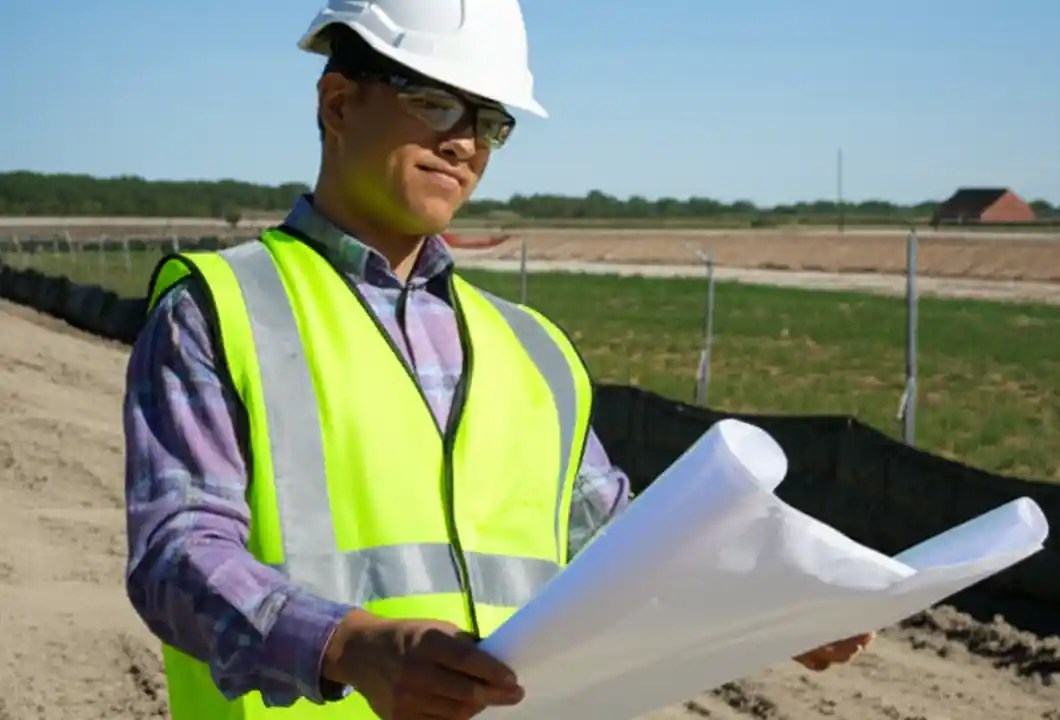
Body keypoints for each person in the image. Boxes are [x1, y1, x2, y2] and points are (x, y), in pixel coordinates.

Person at [121, 1, 873, 718]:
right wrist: (350, 646)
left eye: (489, 122)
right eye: (437, 103)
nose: (465, 143)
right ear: (339, 104)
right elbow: (177, 553)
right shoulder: (221, 309)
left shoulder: (532, 349)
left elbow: (621, 549)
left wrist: (772, 606)